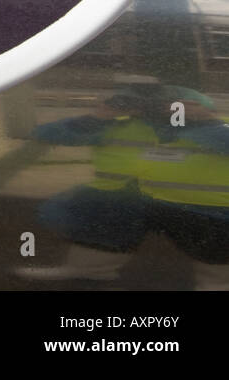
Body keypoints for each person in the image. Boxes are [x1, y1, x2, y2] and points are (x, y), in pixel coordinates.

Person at [19, 81, 229, 289]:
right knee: (104, 224)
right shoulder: (116, 126)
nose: (157, 109)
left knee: (214, 244)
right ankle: (90, 268)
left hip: (202, 207)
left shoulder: (217, 128)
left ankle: (219, 283)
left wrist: (206, 122)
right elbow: (45, 134)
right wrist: (97, 118)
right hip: (126, 199)